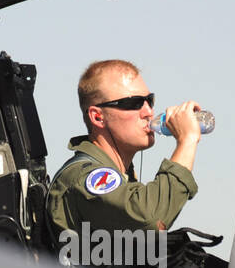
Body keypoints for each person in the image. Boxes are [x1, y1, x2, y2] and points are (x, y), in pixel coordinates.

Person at [47, 59, 202, 246]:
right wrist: (186, 141)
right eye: (134, 103)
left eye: (149, 100)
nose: (148, 112)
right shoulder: (85, 177)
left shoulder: (121, 176)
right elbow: (152, 219)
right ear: (98, 116)